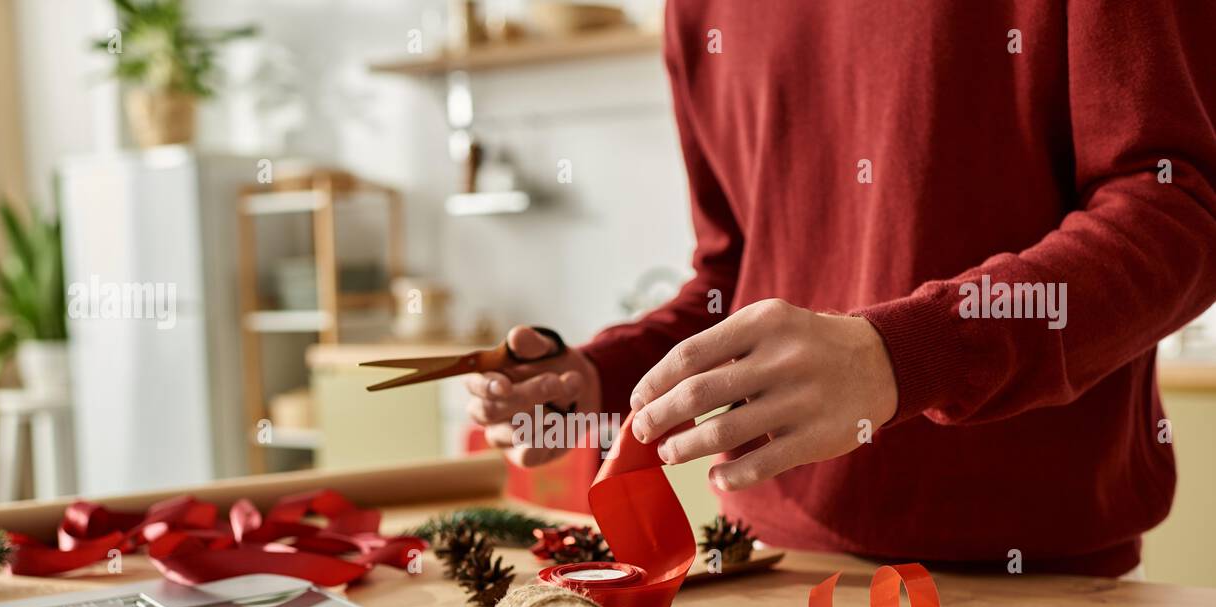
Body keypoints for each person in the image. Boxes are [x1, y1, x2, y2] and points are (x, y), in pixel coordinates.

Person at [465, 0, 1216, 577]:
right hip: (766, 565)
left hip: (1036, 575)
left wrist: (902, 356)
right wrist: (598, 380)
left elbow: (1176, 211)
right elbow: (735, 278)